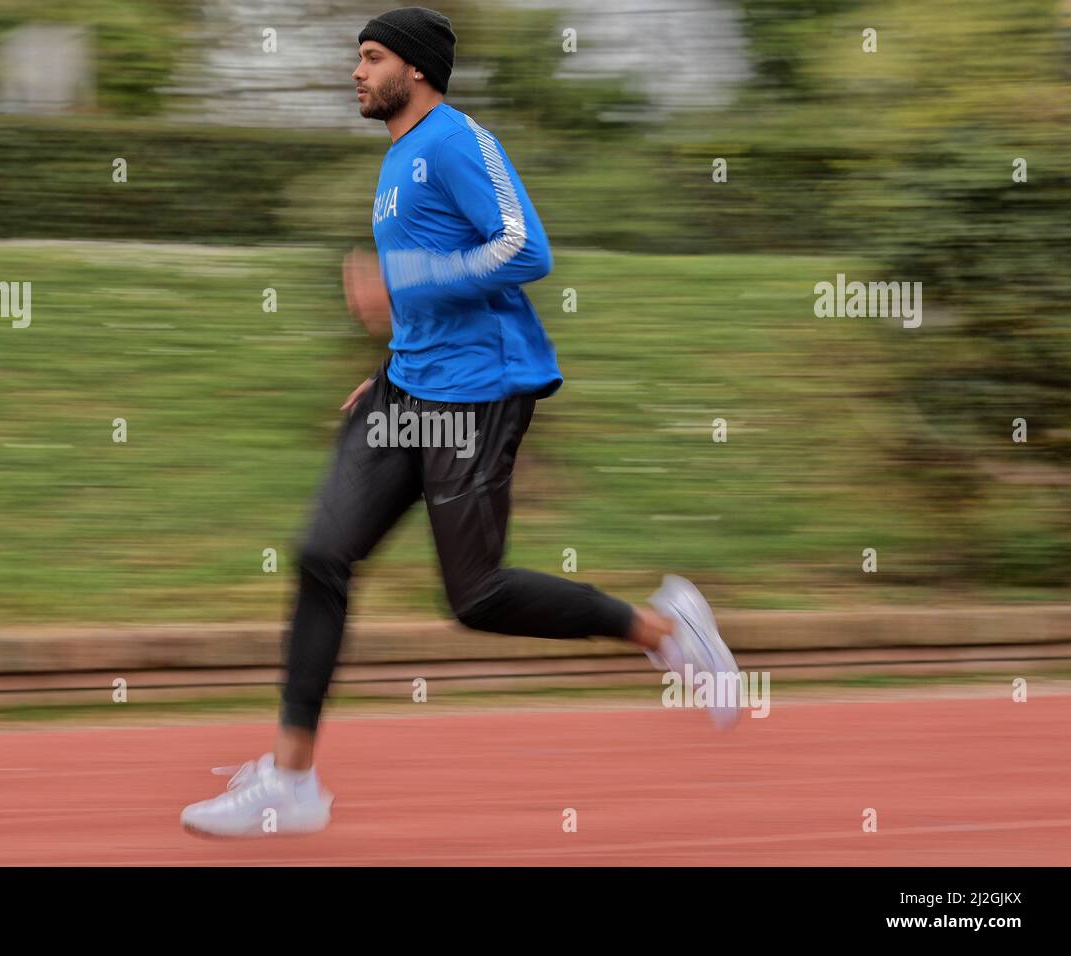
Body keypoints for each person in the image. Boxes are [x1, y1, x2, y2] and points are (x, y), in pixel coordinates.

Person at [181, 6, 739, 839]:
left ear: (416, 68)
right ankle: (292, 783)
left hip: (478, 398)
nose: (357, 72)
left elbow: (526, 251)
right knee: (322, 554)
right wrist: (384, 374)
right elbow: (433, 299)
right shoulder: (400, 156)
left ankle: (662, 628)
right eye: (357, 58)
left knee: (476, 595)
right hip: (408, 396)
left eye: (371, 58)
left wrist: (401, 277)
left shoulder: (455, 141)